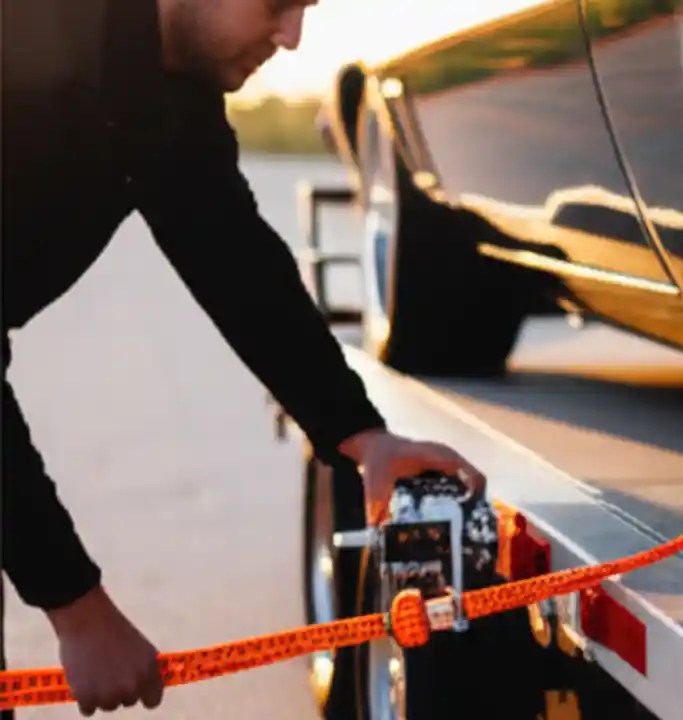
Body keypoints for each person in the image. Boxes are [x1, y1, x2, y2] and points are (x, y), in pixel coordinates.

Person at [1, 0, 488, 715]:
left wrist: (360, 435)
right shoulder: (24, 39)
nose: (291, 37)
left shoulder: (164, 99)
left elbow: (235, 261)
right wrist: (77, 608)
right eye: (276, 4)